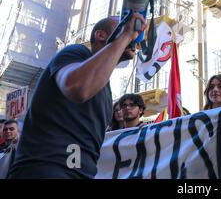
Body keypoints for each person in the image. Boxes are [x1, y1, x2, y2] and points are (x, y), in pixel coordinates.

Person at [8, 13, 146, 179]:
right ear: (100, 34)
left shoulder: (104, 88)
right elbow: (79, 88)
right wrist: (125, 36)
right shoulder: (76, 53)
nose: (134, 32)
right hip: (46, 169)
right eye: (122, 25)